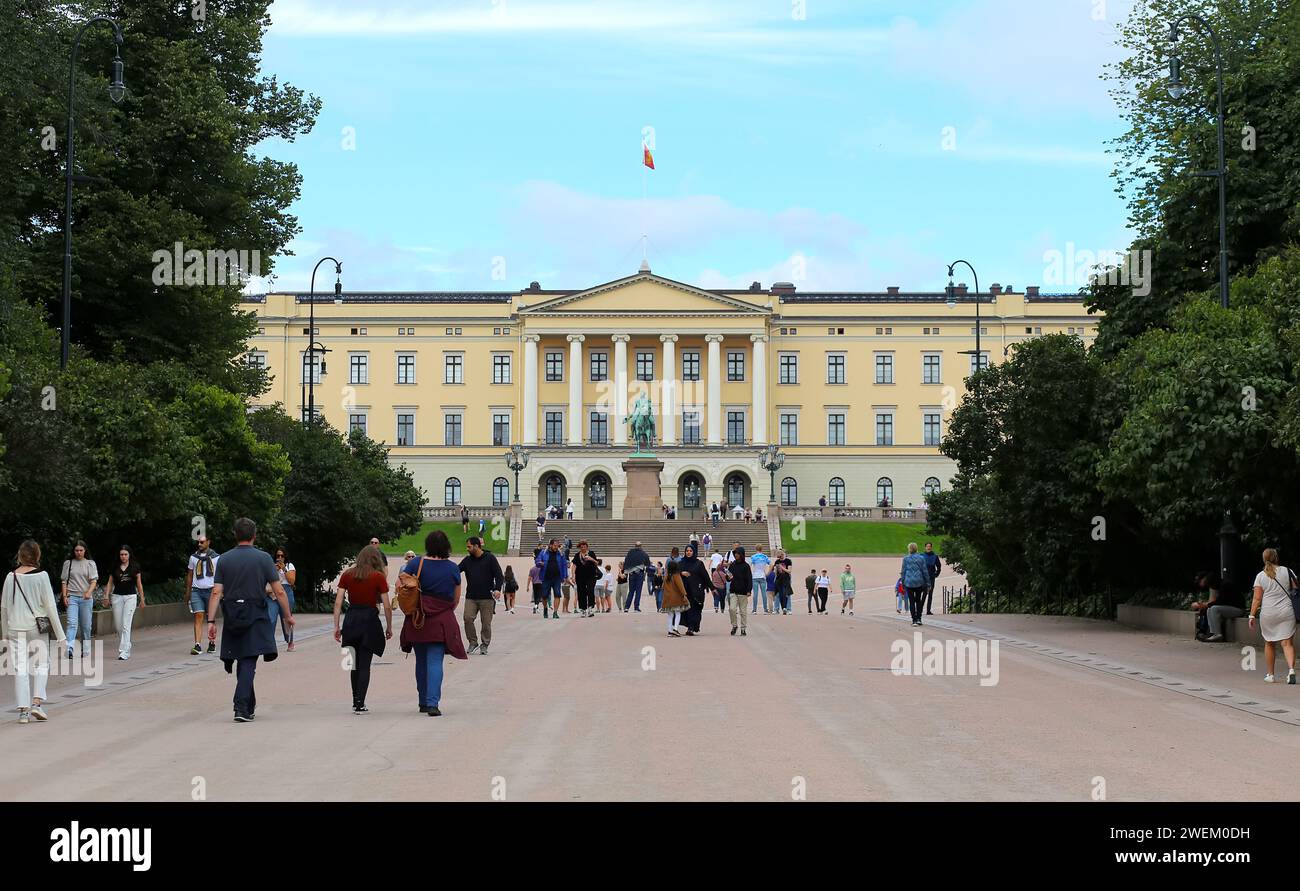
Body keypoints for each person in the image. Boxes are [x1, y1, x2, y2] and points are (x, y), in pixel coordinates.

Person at [207, 518, 293, 722]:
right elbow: (279, 591)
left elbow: (216, 592)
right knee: (248, 658)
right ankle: (241, 706)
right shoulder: (263, 558)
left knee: (242, 656)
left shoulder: (224, 560)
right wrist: (288, 616)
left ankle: (249, 704)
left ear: (235, 535)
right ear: (254, 535)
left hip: (232, 612)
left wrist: (210, 621)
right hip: (255, 610)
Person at [400, 530, 468, 715]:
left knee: (420, 661)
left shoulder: (416, 562)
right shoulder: (453, 568)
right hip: (441, 618)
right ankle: (432, 703)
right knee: (435, 661)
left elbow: (402, 584)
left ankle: (422, 701)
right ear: (447, 546)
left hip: (417, 617)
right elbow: (455, 598)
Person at [4, 540, 66, 723]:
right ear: (37, 555)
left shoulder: (10, 576)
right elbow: (50, 607)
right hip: (37, 627)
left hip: (15, 628)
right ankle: (37, 704)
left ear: (20, 555)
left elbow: (4, 608)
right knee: (41, 664)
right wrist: (61, 636)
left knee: (20, 668)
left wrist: (5, 634)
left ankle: (23, 711)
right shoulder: (42, 575)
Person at [334, 545, 392, 713]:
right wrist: (388, 626)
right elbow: (387, 606)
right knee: (365, 664)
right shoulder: (378, 577)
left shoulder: (347, 575)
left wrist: (336, 626)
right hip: (369, 621)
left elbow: (338, 602)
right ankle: (361, 702)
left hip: (351, 619)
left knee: (353, 664)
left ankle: (355, 699)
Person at [1248, 549, 1298, 683]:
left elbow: (1257, 599)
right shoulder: (1288, 571)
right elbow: (1296, 590)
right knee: (1287, 643)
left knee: (1269, 643)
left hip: (1269, 613)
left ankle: (1270, 675)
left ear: (1264, 559)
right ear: (1277, 557)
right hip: (1287, 611)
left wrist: (1252, 616)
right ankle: (1291, 671)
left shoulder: (1260, 576)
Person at [459, 537, 503, 654]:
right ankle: (473, 642)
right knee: (467, 618)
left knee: (486, 623)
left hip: (487, 598)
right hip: (471, 597)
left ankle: (485, 644)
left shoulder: (490, 558)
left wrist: (498, 589)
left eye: (469, 546)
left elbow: (499, 575)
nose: (467, 549)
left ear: (476, 546)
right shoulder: (467, 560)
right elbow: (455, 570)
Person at [102, 546, 145, 661]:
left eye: (125, 554)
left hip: (130, 597)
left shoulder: (135, 567)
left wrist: (142, 599)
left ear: (129, 555)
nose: (123, 557)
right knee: (119, 626)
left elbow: (139, 583)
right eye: (121, 554)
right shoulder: (115, 567)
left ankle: (124, 651)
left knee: (126, 624)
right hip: (117, 597)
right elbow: (110, 583)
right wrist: (106, 596)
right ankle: (127, 644)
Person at [60, 541, 98, 659]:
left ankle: (85, 648)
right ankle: (70, 648)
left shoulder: (90, 564)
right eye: (77, 550)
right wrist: (65, 596)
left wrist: (88, 592)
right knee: (71, 623)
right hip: (72, 597)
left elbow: (94, 581)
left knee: (86, 626)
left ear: (85, 551)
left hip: (86, 598)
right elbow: (64, 581)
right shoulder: (69, 563)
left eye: (81, 550)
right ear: (73, 551)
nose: (79, 553)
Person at [186, 537, 220, 655]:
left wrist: (221, 590)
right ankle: (197, 645)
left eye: (202, 542)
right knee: (198, 616)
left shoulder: (216, 558)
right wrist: (188, 592)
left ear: (208, 542)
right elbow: (190, 575)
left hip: (211, 591)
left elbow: (220, 575)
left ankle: (212, 643)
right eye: (198, 542)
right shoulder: (193, 558)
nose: (199, 544)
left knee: (210, 618)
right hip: (196, 591)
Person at [1191, 571, 1242, 642]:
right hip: (1231, 608)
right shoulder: (1222, 585)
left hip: (1238, 609)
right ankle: (1213, 633)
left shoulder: (1225, 585)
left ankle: (1218, 634)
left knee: (1214, 608)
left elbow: (1221, 601)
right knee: (1210, 609)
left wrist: (1205, 605)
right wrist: (1207, 605)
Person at [677, 543, 712, 635]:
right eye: (687, 551)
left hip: (696, 592)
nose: (688, 552)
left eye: (690, 551)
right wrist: (681, 573)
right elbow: (674, 575)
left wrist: (712, 588)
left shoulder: (698, 563)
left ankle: (691, 628)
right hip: (684, 591)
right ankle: (689, 626)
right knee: (686, 610)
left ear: (694, 552)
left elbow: (705, 576)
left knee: (695, 609)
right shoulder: (680, 563)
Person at [269, 547, 297, 652]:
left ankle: (290, 641)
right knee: (270, 618)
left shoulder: (290, 566)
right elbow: (265, 579)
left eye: (282, 556)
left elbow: (292, 581)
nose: (280, 558)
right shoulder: (271, 566)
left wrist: (284, 569)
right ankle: (269, 644)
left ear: (285, 557)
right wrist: (274, 570)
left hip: (286, 591)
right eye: (278, 556)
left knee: (287, 619)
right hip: (273, 592)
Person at [534, 539, 568, 620]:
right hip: (546, 577)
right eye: (555, 545)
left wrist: (565, 576)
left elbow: (564, 565)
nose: (556, 547)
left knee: (557, 594)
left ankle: (555, 612)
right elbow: (537, 561)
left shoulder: (561, 554)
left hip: (557, 578)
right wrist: (539, 563)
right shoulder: (543, 552)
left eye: (557, 546)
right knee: (544, 596)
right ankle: (545, 608)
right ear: (550, 545)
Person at [901, 542, 930, 627]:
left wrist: (903, 582)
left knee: (912, 601)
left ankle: (914, 620)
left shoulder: (906, 559)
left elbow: (903, 571)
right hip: (919, 581)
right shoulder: (921, 558)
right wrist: (928, 583)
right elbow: (925, 571)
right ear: (916, 549)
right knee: (918, 600)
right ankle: (919, 618)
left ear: (909, 549)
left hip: (909, 582)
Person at [728, 546, 754, 637]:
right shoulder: (732, 565)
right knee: (732, 609)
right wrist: (728, 577)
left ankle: (743, 628)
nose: (736, 555)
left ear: (742, 554)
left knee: (743, 611)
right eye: (735, 553)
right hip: (733, 591)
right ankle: (734, 625)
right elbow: (728, 577)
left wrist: (749, 590)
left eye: (738, 553)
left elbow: (749, 579)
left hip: (743, 592)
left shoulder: (746, 566)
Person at [662, 562, 690, 636]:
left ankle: (670, 630)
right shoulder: (676, 575)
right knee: (678, 613)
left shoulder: (666, 576)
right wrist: (684, 594)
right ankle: (675, 629)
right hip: (676, 597)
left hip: (668, 597)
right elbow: (680, 586)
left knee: (670, 615)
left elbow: (663, 587)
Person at [624, 541, 651, 611]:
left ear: (635, 546)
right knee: (638, 591)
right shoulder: (643, 553)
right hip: (640, 574)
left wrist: (626, 572)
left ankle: (626, 607)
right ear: (641, 546)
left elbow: (626, 562)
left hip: (632, 574)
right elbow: (647, 563)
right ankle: (636, 607)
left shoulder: (630, 553)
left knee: (631, 591)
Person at [750, 546, 771, 615]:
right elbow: (771, 565)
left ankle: (754, 610)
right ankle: (765, 610)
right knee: (764, 594)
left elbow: (749, 565)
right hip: (762, 576)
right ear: (762, 549)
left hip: (755, 576)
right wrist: (767, 573)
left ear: (756, 549)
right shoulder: (765, 557)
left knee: (755, 594)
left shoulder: (753, 557)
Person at [923, 542, 942, 615]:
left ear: (931, 547)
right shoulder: (922, 556)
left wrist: (936, 574)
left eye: (929, 546)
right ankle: (920, 609)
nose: (928, 548)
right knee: (924, 594)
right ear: (925, 547)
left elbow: (939, 566)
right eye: (927, 546)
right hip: (924, 578)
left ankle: (928, 610)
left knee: (930, 594)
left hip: (931, 578)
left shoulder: (935, 556)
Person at [529, 547, 544, 614]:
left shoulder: (532, 569)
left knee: (535, 595)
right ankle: (536, 606)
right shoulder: (541, 569)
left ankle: (536, 607)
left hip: (534, 583)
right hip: (540, 583)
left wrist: (527, 585)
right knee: (539, 595)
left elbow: (530, 577)